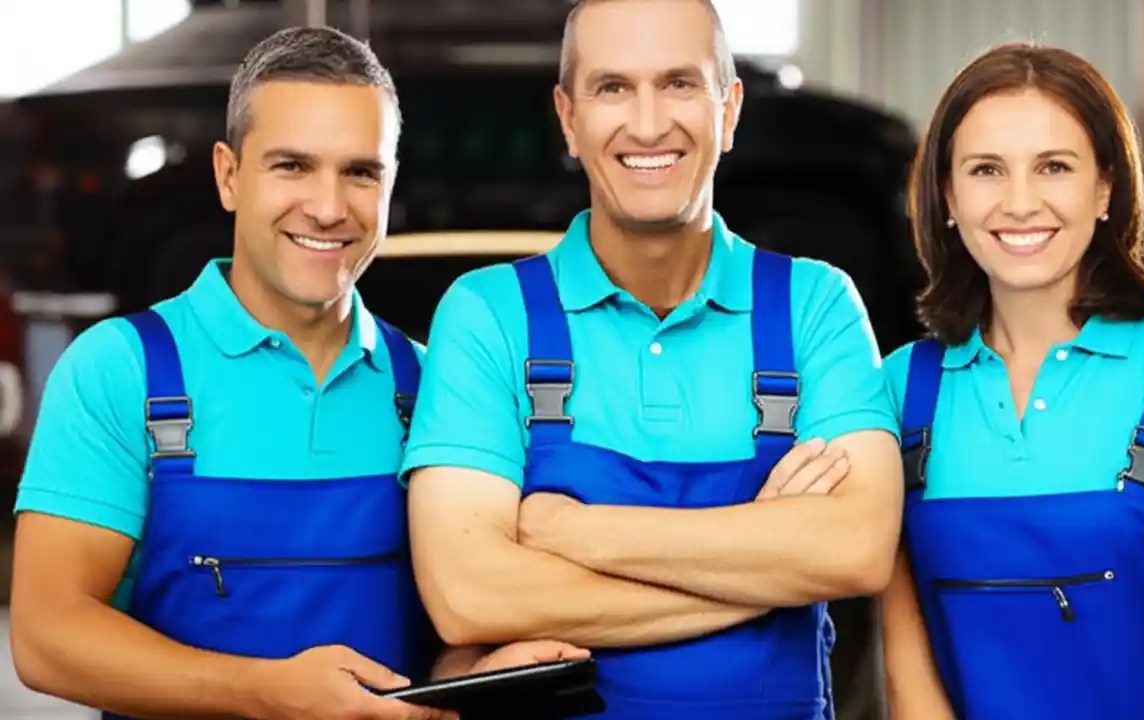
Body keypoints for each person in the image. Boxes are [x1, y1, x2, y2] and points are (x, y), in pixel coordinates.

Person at [10, 26, 581, 720]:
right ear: (229, 175)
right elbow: (46, 637)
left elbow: (442, 633)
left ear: (390, 184)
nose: (328, 206)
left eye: (360, 172)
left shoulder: (430, 389)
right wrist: (265, 693)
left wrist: (484, 670)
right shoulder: (121, 372)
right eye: (292, 166)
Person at [401, 0, 904, 718]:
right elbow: (466, 596)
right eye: (612, 88)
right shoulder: (490, 316)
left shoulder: (814, 307)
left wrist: (574, 532)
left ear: (728, 110)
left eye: (678, 83)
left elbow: (855, 550)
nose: (646, 123)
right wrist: (764, 566)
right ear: (568, 118)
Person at [880, 43, 1144, 719]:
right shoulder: (899, 390)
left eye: (1054, 167)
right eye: (986, 170)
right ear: (947, 194)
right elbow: (908, 668)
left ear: (1106, 188)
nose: (1021, 202)